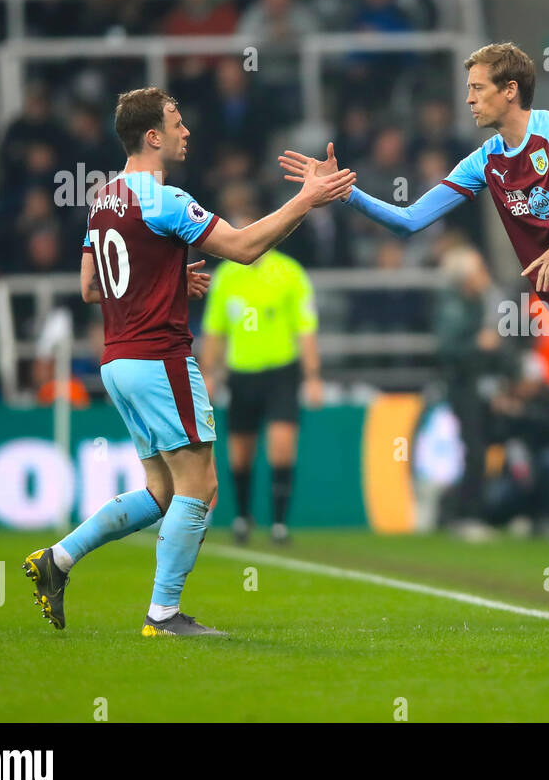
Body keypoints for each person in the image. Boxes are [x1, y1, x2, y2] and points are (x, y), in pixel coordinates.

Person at [278, 42, 549, 634]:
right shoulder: (486, 160)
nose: (468, 98)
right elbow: (410, 220)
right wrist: (343, 192)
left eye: (478, 87)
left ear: (510, 90)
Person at [22, 86, 354, 637]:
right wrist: (307, 199)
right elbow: (245, 249)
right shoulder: (166, 200)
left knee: (163, 492)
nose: (186, 131)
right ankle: (164, 615)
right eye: (177, 122)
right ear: (153, 136)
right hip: (159, 357)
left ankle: (56, 560)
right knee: (199, 486)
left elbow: (88, 287)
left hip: (116, 360)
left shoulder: (101, 199)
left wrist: (168, 276)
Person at [199, 204, 323, 546]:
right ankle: (242, 517)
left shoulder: (290, 273)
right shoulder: (226, 276)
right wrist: (209, 373)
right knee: (241, 452)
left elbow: (306, 328)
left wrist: (312, 376)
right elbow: (215, 331)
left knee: (282, 448)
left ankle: (280, 522)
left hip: (282, 371)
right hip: (242, 374)